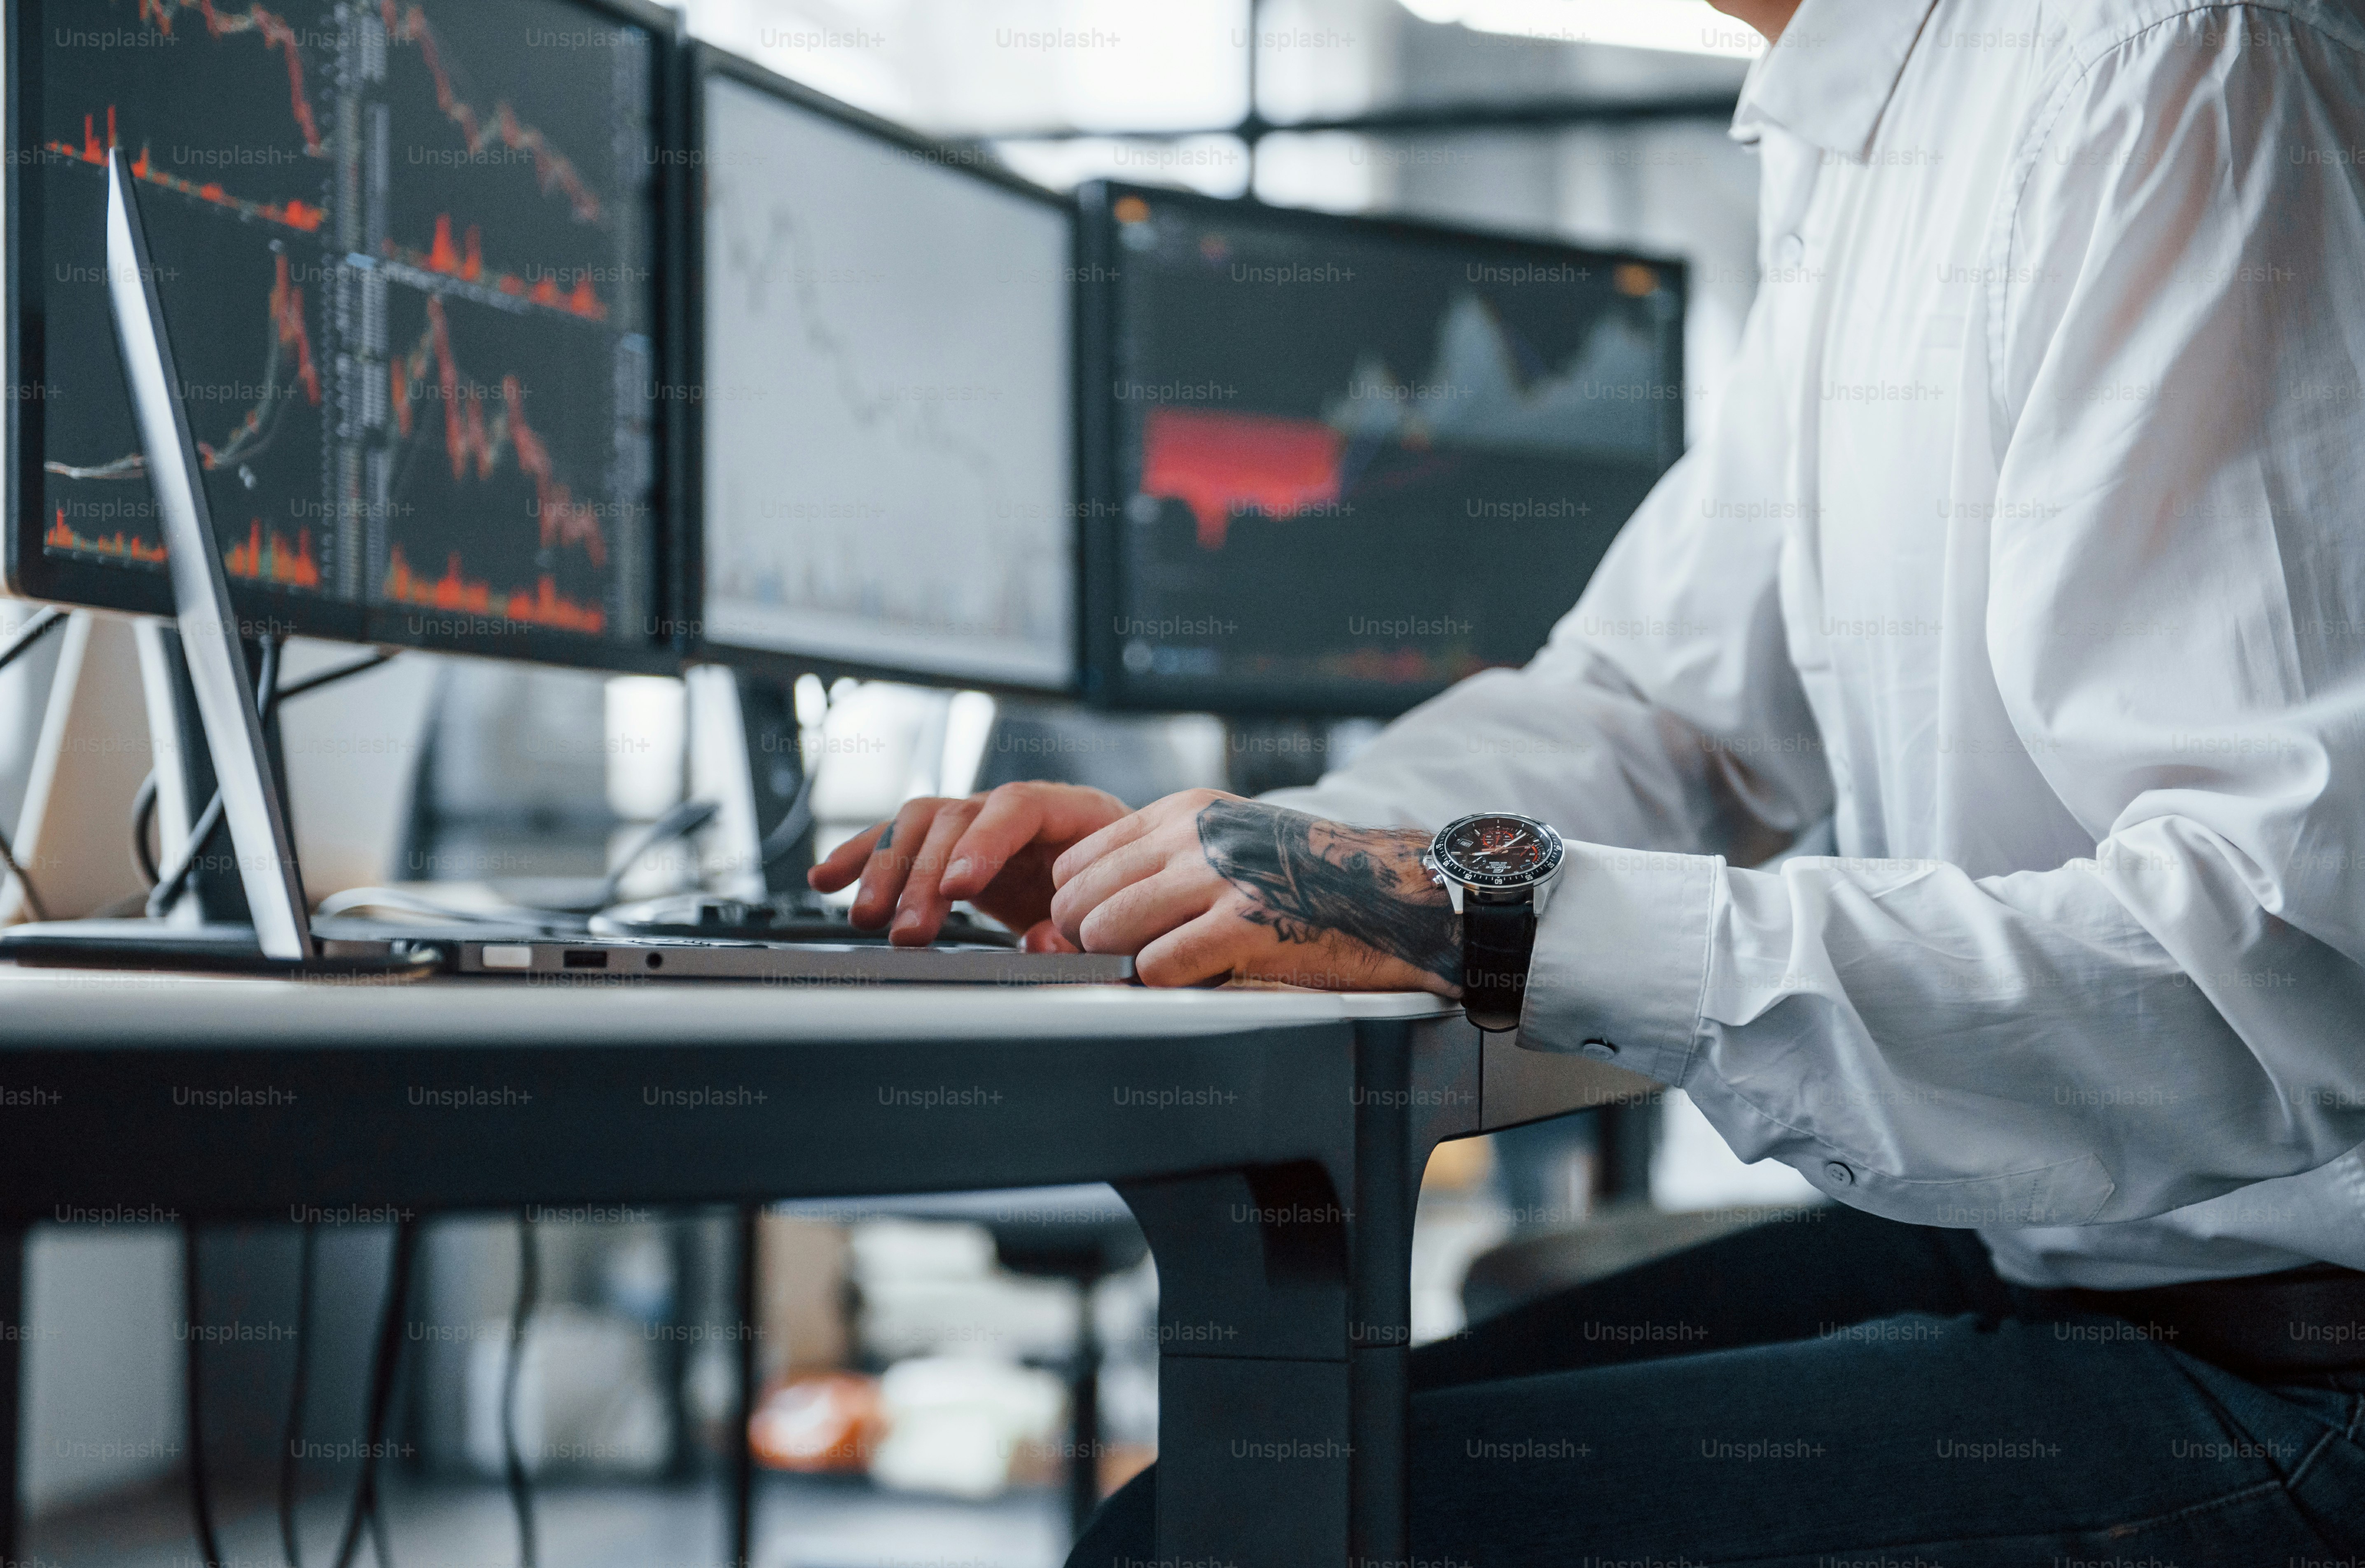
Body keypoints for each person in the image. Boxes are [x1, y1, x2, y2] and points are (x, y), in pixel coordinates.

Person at [812, 0, 2365, 1558]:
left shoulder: (2163, 66)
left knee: (1200, 1543)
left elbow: (2267, 972)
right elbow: (1657, 711)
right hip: (2079, 1249)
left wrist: (1485, 913)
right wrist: (1254, 855)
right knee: (1251, 1480)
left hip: (2293, 1345)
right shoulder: (1872, 126)